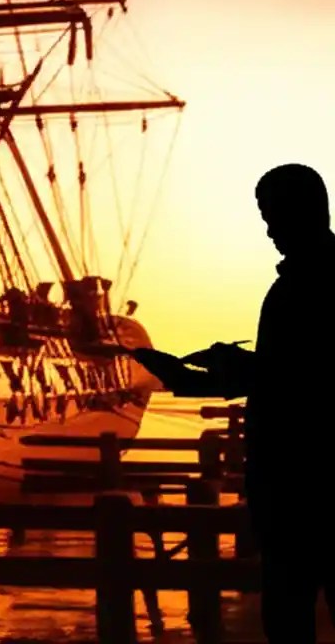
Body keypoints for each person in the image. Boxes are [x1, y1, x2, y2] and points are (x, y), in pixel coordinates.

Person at [131, 162, 335, 642]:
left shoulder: (308, 286)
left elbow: (303, 377)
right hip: (292, 489)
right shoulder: (297, 283)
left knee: (288, 615)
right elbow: (285, 376)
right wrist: (189, 377)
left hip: (303, 488)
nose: (268, 229)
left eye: (273, 215)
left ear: (305, 211)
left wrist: (233, 367)